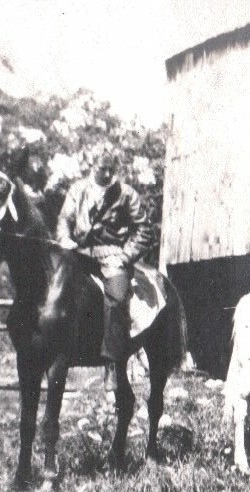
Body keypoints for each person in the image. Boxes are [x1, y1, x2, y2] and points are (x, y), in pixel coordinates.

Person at [55, 149, 158, 390]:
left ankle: (113, 362)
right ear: (93, 166)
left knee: (117, 297)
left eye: (112, 169)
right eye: (103, 168)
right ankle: (55, 347)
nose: (108, 173)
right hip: (78, 252)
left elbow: (144, 230)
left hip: (112, 255)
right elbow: (64, 220)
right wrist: (64, 238)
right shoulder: (77, 190)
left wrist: (125, 256)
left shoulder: (125, 194)